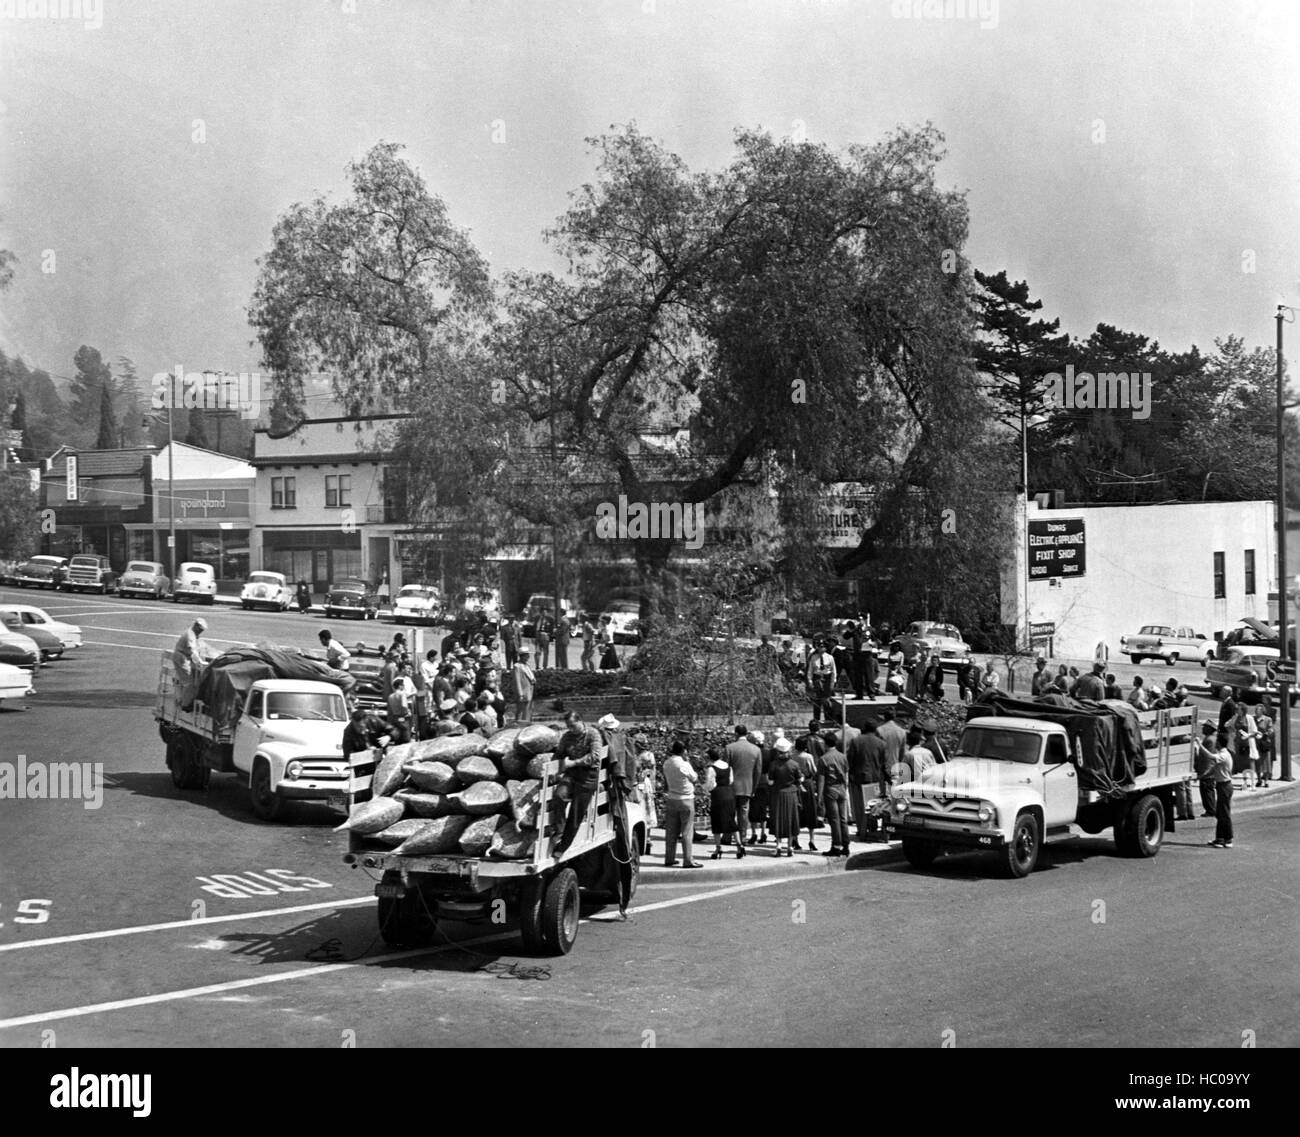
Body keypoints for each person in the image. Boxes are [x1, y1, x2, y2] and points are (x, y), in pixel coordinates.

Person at [553, 711, 607, 855]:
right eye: (568, 726)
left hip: (588, 775)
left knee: (576, 812)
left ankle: (563, 847)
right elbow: (559, 753)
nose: (571, 729)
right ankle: (559, 832)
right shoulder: (567, 736)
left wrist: (574, 762)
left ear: (580, 721)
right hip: (572, 774)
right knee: (559, 796)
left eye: (572, 725)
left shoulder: (593, 734)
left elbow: (595, 757)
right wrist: (552, 767)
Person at [662, 740, 702, 868]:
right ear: (683, 751)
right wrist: (688, 761)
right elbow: (694, 777)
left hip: (672, 798)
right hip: (686, 798)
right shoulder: (684, 764)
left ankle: (669, 858)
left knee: (671, 831)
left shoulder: (667, 763)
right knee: (687, 831)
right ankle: (688, 859)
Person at [847, 718, 887, 842]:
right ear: (875, 729)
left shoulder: (855, 741)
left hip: (858, 778)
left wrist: (851, 774)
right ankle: (872, 827)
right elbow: (883, 763)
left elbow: (850, 760)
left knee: (859, 806)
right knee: (873, 804)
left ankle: (861, 829)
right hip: (874, 778)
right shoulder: (881, 744)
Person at [724, 724, 761, 850]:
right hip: (747, 785)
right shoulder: (756, 749)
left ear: (736, 734)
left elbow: (725, 768)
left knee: (730, 812)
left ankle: (727, 837)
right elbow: (758, 771)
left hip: (732, 785)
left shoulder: (729, 748)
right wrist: (754, 787)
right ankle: (743, 837)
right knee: (743, 813)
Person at [767, 736, 803, 858]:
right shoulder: (794, 764)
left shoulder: (773, 765)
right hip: (791, 794)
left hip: (777, 794)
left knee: (778, 819)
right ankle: (790, 846)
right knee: (791, 819)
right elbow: (800, 779)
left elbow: (770, 782)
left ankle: (778, 846)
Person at [816, 729, 850, 857]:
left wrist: (819, 798)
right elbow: (846, 775)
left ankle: (836, 846)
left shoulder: (823, 759)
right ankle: (846, 845)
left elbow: (821, 780)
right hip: (841, 788)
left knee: (834, 819)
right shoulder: (843, 757)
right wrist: (845, 789)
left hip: (830, 789)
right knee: (843, 818)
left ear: (825, 744)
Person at [703, 749, 739, 858]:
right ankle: (739, 845)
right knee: (731, 820)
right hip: (729, 793)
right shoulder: (728, 766)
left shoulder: (711, 769)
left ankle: (718, 848)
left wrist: (705, 789)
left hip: (718, 795)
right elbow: (731, 780)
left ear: (710, 758)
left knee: (717, 821)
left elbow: (710, 785)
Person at [172, 617, 210, 710]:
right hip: (182, 657)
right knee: (189, 682)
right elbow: (192, 650)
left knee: (186, 680)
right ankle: (185, 704)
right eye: (200, 630)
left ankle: (184, 700)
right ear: (196, 626)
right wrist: (200, 662)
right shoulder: (190, 635)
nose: (201, 632)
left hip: (183, 657)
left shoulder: (192, 633)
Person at [792, 736, 820, 852]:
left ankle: (795, 839)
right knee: (810, 810)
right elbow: (814, 771)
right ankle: (812, 839)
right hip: (807, 784)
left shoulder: (792, 756)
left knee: (797, 811)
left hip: (795, 784)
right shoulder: (808, 757)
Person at [1208, 730, 1235, 848]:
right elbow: (1214, 769)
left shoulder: (1223, 755)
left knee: (1224, 813)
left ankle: (1228, 839)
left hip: (1225, 785)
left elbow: (1211, 757)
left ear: (1219, 743)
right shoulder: (1224, 753)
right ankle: (1219, 838)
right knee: (1220, 813)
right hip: (1221, 785)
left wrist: (1199, 745)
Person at [633, 734, 657, 855]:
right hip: (647, 784)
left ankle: (645, 840)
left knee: (642, 808)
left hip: (640, 784)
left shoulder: (639, 757)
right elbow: (653, 774)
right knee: (648, 810)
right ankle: (648, 840)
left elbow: (641, 774)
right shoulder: (650, 755)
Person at [748, 730, 770, 846]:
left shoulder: (752, 752)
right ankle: (763, 832)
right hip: (765, 781)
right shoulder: (768, 752)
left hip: (754, 781)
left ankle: (754, 833)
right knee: (763, 808)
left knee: (753, 808)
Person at [806, 639, 837, 721]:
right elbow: (810, 670)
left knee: (826, 701)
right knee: (817, 701)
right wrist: (810, 681)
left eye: (823, 647)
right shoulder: (813, 657)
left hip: (827, 679)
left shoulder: (830, 657)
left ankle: (828, 720)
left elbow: (834, 671)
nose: (821, 648)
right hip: (817, 678)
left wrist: (833, 682)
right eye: (819, 647)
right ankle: (816, 720)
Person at [1194, 721, 1219, 819]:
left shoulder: (1209, 740)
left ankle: (1210, 810)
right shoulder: (1210, 739)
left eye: (1205, 727)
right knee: (1208, 791)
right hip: (1208, 770)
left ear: (1210, 728)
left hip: (1207, 771)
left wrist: (1204, 772)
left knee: (1207, 791)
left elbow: (1208, 757)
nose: (1202, 729)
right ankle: (1211, 809)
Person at [387, 664, 415, 744]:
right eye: (403, 685)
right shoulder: (402, 694)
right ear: (400, 686)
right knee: (406, 738)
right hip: (403, 718)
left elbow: (390, 709)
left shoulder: (390, 696)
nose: (404, 686)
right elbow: (403, 705)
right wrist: (407, 712)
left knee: (397, 738)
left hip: (395, 718)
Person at [1236, 704, 1259, 790]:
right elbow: (1231, 726)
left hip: (1248, 743)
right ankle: (1245, 783)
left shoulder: (1249, 718)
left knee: (1250, 764)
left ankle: (1253, 784)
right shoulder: (1237, 718)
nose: (1237, 711)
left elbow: (1255, 732)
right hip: (1240, 744)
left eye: (1238, 709)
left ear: (1243, 710)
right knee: (1243, 765)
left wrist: (1247, 735)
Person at [512, 648, 535, 722]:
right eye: (526, 655)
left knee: (528, 710)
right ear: (522, 656)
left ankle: (527, 722)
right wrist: (520, 694)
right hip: (523, 692)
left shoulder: (526, 665)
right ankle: (518, 724)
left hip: (529, 690)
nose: (528, 657)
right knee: (521, 710)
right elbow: (517, 681)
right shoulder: (517, 666)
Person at [1256, 703, 1274, 788]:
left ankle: (1266, 781)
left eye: (1258, 710)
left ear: (1262, 711)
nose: (1256, 711)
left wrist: (1264, 734)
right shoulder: (1253, 719)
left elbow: (1271, 730)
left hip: (1264, 743)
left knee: (1266, 763)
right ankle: (1259, 779)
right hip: (1256, 743)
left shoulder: (1267, 719)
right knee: (1257, 762)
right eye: (1256, 710)